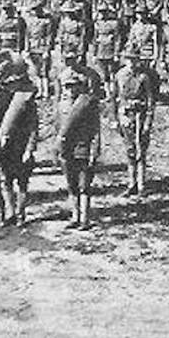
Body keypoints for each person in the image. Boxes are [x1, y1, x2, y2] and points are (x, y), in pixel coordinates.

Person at [0, 58, 40, 226]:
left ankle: (20, 214)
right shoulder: (1, 97)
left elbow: (33, 126)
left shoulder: (27, 98)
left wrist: (30, 149)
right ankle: (9, 213)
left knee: (21, 182)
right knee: (5, 180)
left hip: (21, 143)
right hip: (4, 143)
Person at [114, 44, 158, 197]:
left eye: (134, 59)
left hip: (140, 115)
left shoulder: (144, 77)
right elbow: (114, 99)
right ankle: (131, 183)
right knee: (129, 150)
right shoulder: (119, 75)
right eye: (128, 59)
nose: (131, 63)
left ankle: (141, 185)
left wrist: (148, 122)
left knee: (141, 151)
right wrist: (116, 119)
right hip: (125, 116)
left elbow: (151, 101)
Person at [58, 67, 100, 225]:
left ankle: (85, 219)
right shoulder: (61, 106)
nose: (70, 89)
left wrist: (94, 151)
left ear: (81, 86)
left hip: (83, 149)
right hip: (67, 150)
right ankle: (75, 216)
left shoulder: (88, 104)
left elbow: (95, 130)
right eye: (67, 86)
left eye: (74, 85)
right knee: (71, 185)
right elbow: (58, 128)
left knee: (84, 186)